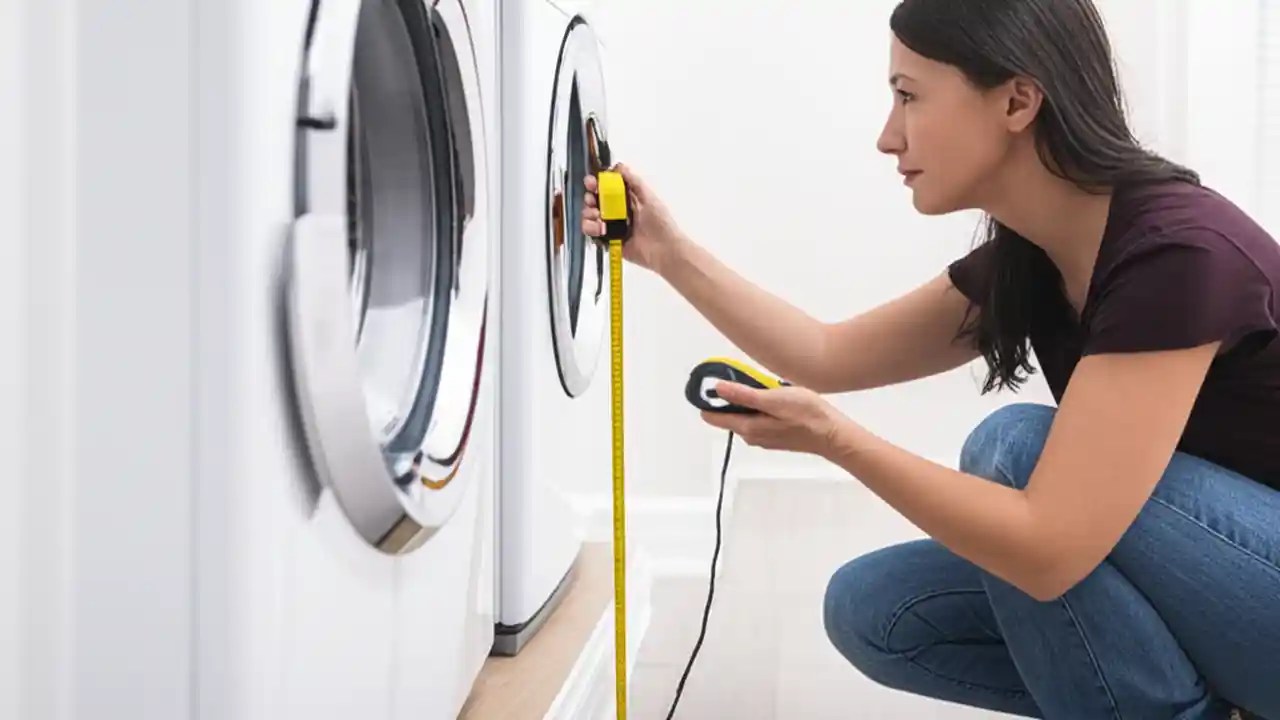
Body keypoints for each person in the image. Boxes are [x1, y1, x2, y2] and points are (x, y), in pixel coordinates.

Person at [581, 0, 1280, 717]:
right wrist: (666, 253)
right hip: (1221, 589)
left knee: (1015, 451)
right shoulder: (1037, 257)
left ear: (1016, 100)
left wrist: (833, 439)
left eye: (909, 96)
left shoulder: (1176, 254)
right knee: (875, 610)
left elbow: (1049, 549)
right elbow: (828, 353)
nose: (889, 137)